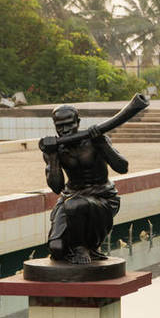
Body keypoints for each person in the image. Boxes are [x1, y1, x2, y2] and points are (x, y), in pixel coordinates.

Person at [40, 104, 128, 264]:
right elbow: (56, 187)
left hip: (103, 196)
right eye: (60, 126)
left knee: (74, 205)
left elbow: (123, 167)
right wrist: (53, 156)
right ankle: (80, 249)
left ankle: (81, 247)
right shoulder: (54, 148)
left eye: (69, 124)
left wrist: (102, 144)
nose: (65, 130)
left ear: (78, 121)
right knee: (57, 248)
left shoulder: (95, 142)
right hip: (71, 197)